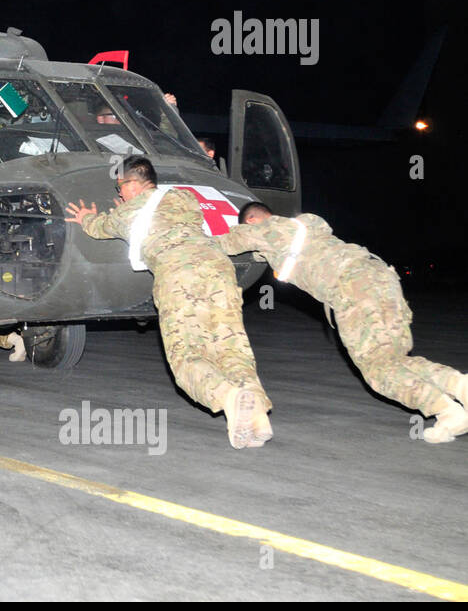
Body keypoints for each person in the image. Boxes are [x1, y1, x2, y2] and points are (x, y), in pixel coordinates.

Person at [65, 155, 273, 448]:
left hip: (179, 277)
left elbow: (98, 228)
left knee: (187, 356)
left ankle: (229, 396)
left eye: (120, 187)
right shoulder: (183, 198)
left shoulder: (128, 212)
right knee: (231, 346)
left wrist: (87, 215)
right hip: (218, 268)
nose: (119, 194)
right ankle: (258, 416)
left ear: (133, 185)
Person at [219, 202, 468, 443]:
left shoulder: (263, 229)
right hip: (382, 279)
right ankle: (459, 388)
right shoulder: (302, 228)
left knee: (378, 372)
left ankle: (444, 409)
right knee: (394, 360)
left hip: (353, 289)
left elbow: (222, 244)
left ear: (251, 220)